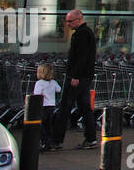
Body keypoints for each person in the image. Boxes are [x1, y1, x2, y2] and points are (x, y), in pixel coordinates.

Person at [53, 9, 97, 149]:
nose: (68, 24)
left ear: (79, 19)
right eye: (66, 21)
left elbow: (82, 57)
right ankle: (91, 139)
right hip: (84, 77)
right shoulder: (86, 32)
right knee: (85, 108)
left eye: (70, 21)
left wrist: (75, 76)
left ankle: (56, 140)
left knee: (65, 106)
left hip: (77, 77)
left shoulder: (81, 34)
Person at [34, 64, 62, 152]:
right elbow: (59, 89)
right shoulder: (53, 82)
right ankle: (50, 141)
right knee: (49, 125)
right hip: (51, 105)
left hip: (43, 106)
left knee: (41, 124)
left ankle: (44, 141)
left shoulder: (39, 83)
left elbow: (37, 94)